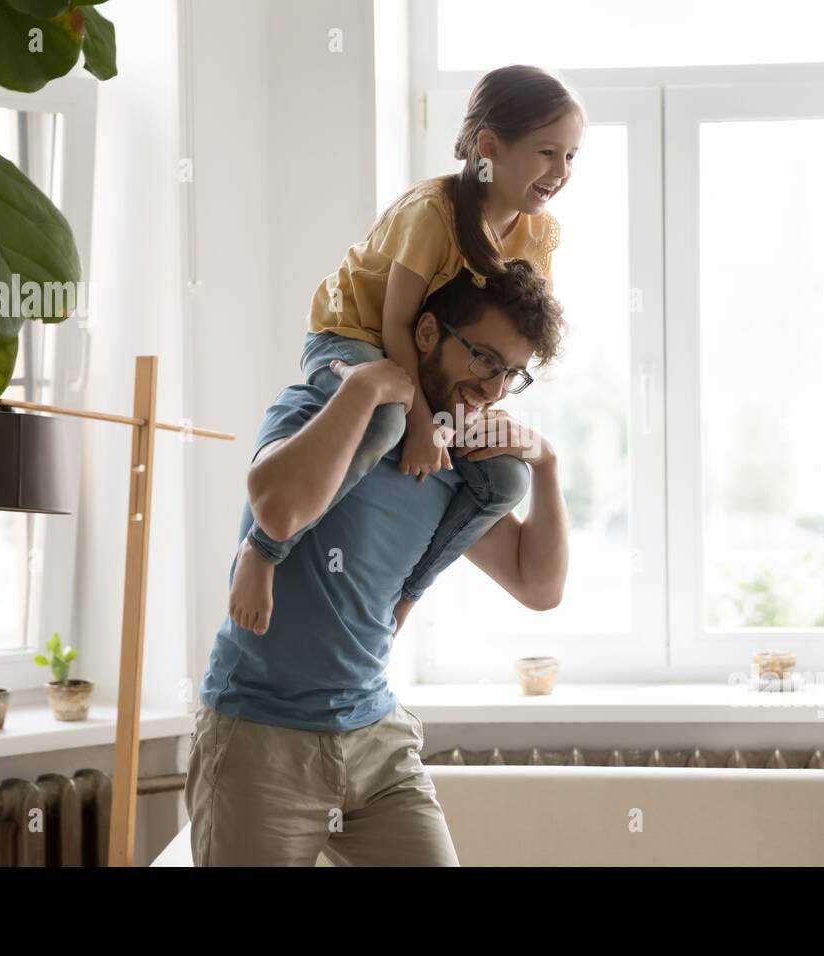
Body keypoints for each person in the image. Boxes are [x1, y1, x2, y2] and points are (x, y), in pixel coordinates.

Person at [187, 262, 569, 865]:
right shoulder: (323, 406)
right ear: (425, 334)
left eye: (512, 374)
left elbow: (539, 586)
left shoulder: (454, 464)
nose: (495, 388)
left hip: (377, 738)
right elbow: (279, 509)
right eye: (485, 360)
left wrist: (545, 464)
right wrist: (364, 388)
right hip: (261, 738)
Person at [226, 64, 586, 636]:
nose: (560, 171)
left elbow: (521, 327)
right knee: (385, 417)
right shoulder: (432, 212)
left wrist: (494, 425)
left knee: (506, 478)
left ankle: (409, 595)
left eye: (571, 156)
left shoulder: (538, 234)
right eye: (547, 153)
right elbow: (397, 326)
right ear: (490, 147)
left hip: (419, 359)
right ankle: (263, 550)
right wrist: (422, 423)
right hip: (353, 338)